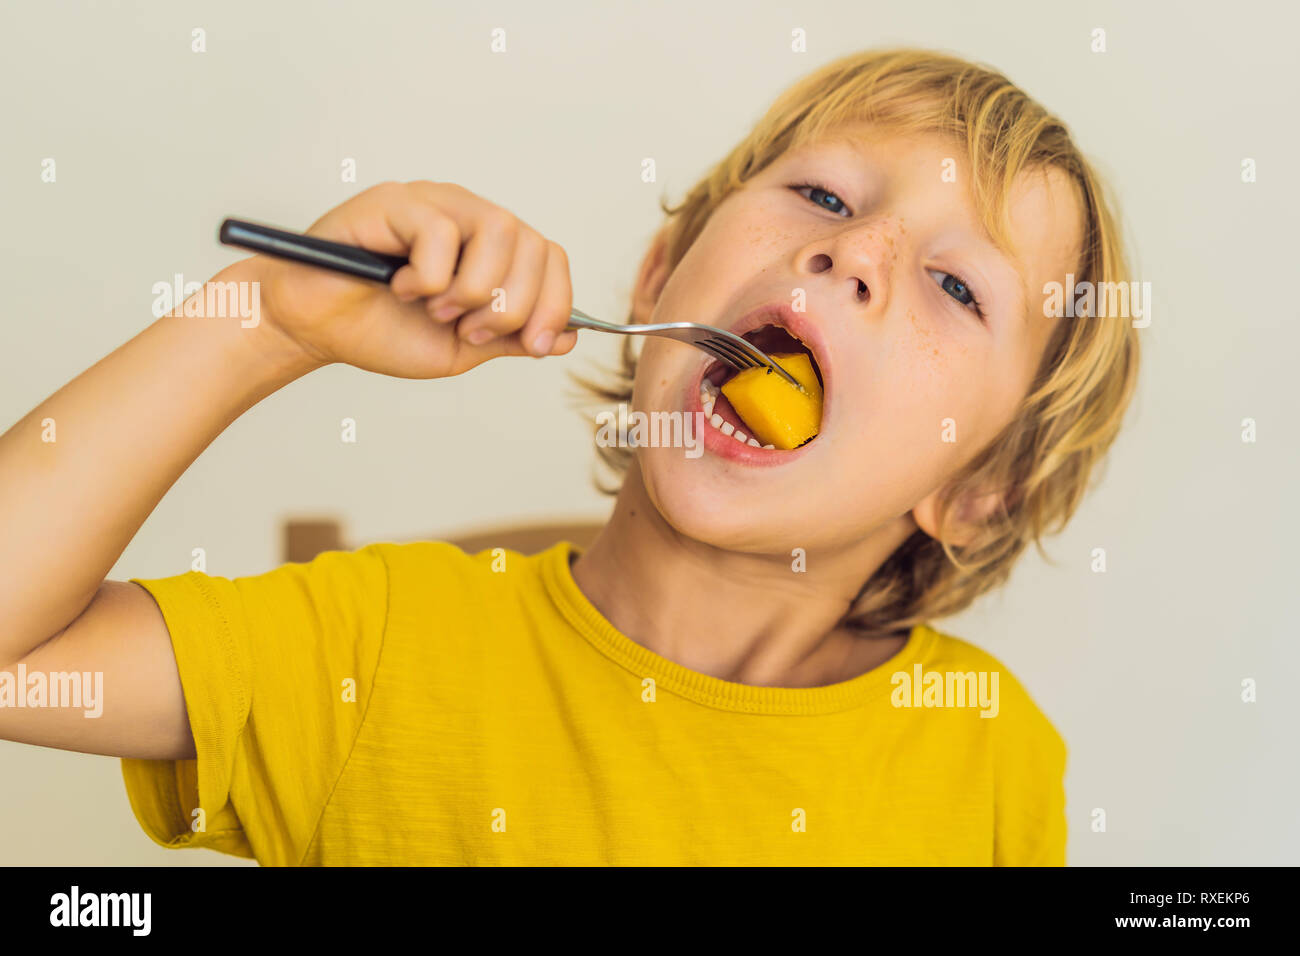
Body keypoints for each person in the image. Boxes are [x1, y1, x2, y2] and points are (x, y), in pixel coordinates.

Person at [0, 48, 1139, 865]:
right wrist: (265, 322)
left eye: (955, 285)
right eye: (822, 194)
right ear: (659, 277)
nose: (856, 250)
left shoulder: (987, 752)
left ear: (979, 489)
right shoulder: (376, 651)